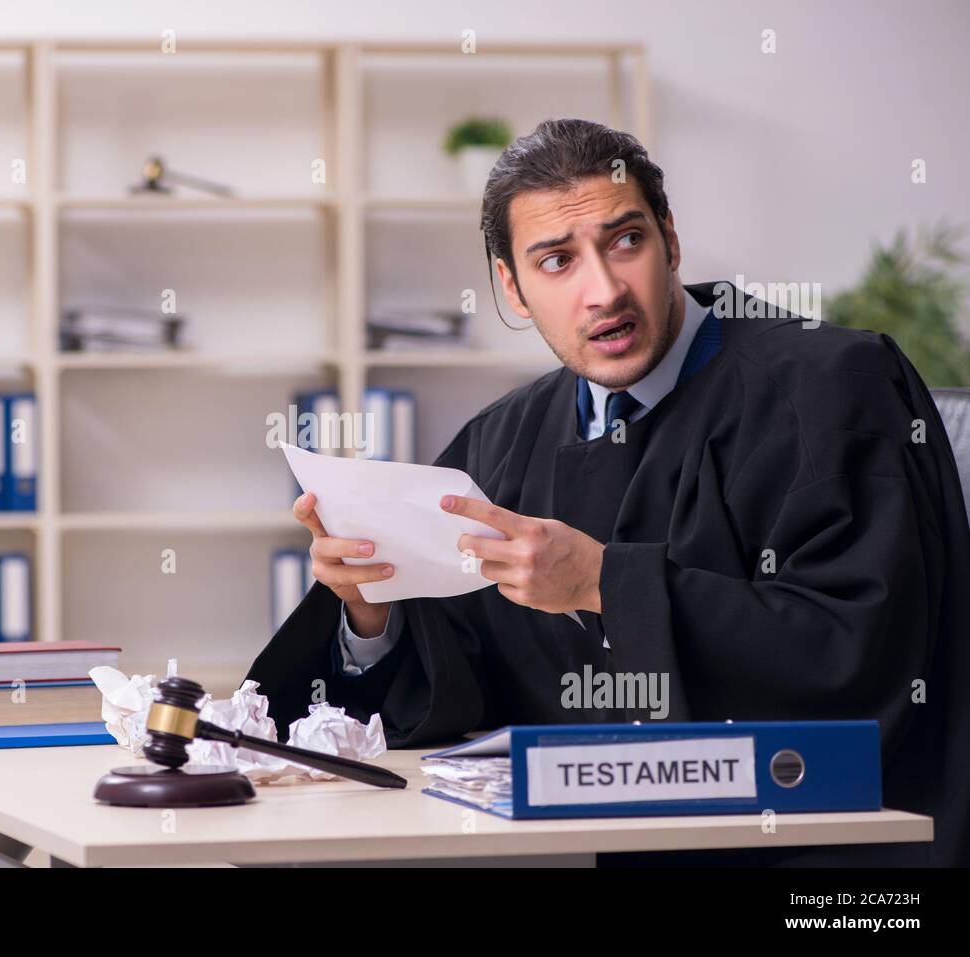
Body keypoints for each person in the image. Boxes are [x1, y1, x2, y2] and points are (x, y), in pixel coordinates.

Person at [245, 118, 970, 866]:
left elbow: (859, 656)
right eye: (556, 260)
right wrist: (372, 610)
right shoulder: (504, 439)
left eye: (626, 240)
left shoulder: (831, 389)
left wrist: (604, 583)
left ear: (672, 241)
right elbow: (461, 680)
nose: (605, 290)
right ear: (512, 287)